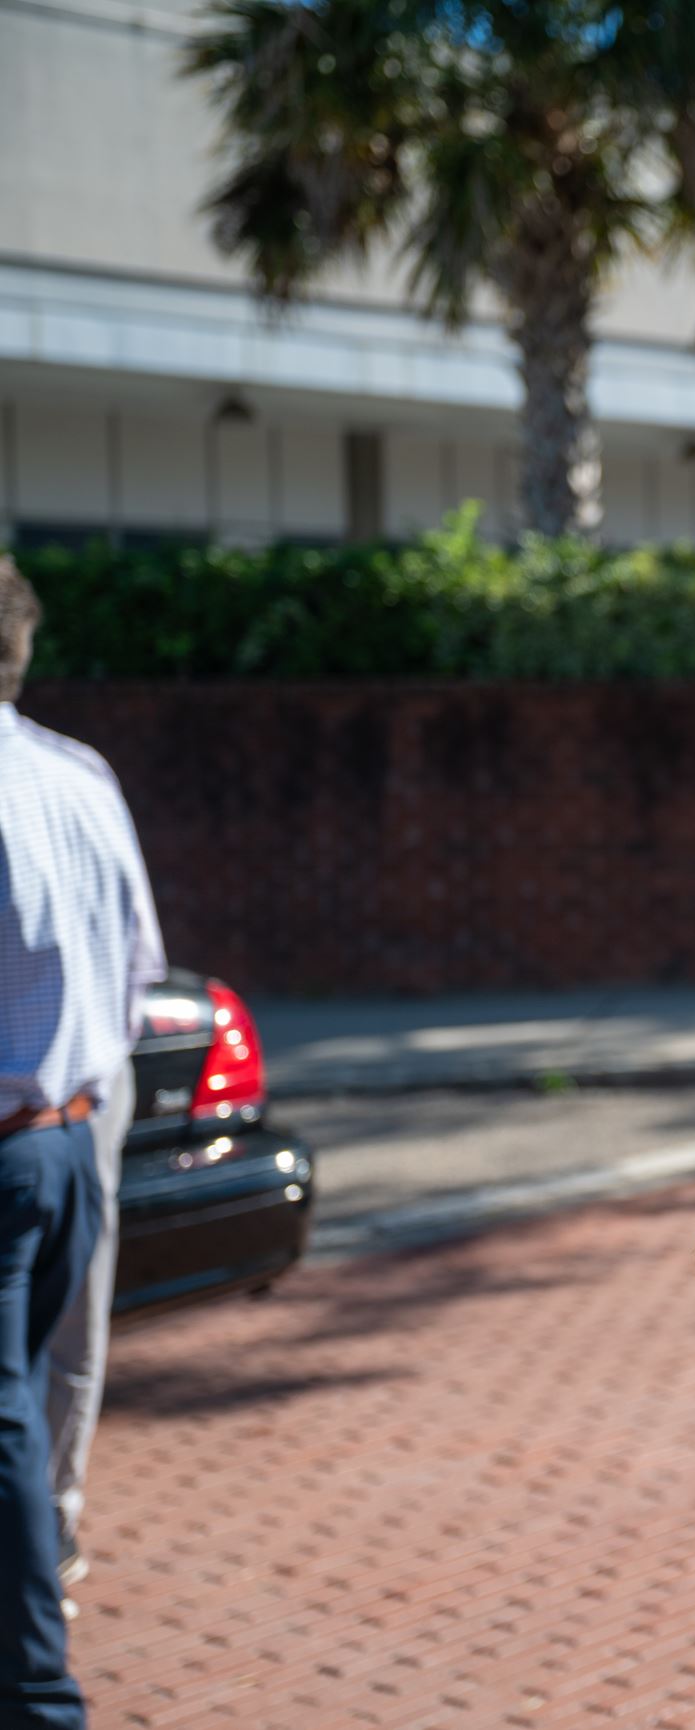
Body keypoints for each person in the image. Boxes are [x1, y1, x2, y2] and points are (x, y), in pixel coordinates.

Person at [1, 555, 167, 1730]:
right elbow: (139, 969)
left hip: (12, 1139)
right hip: (70, 1138)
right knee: (50, 1378)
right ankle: (43, 1568)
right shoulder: (79, 773)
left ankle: (36, 1686)